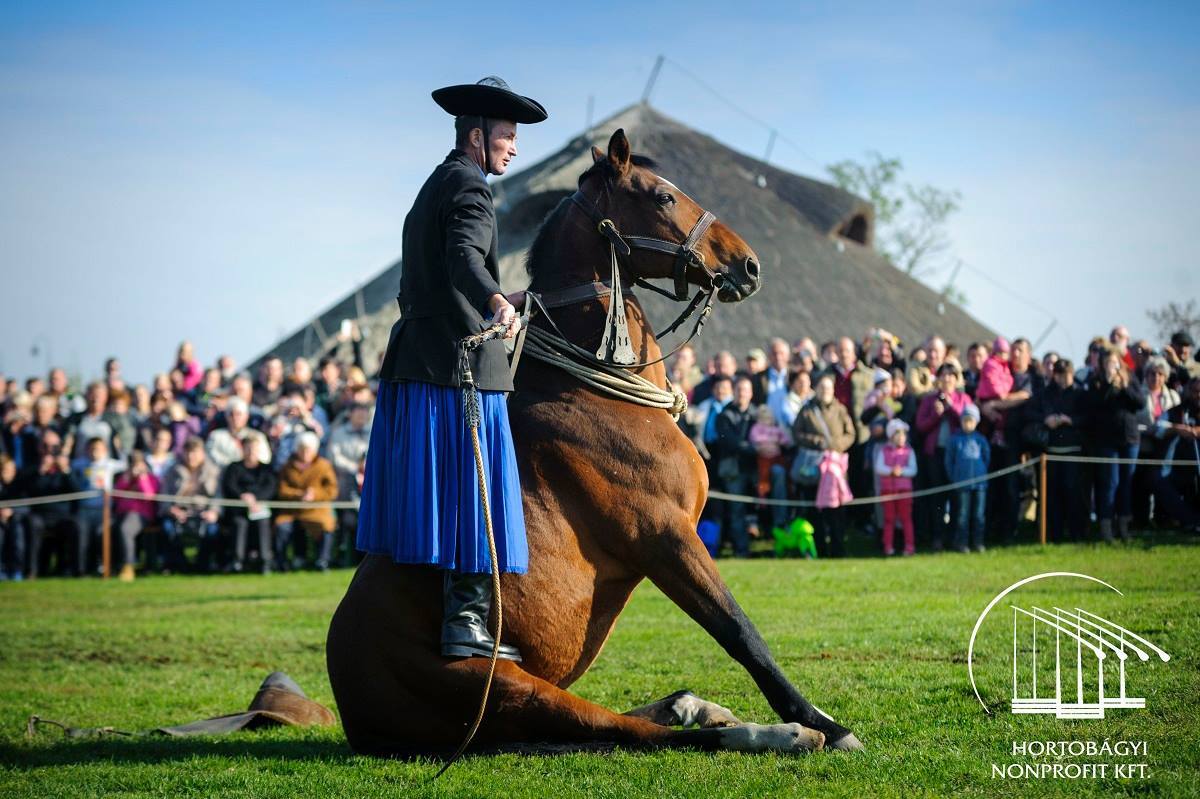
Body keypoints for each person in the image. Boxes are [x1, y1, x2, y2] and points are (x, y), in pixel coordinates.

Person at [358, 76, 545, 663]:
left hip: (420, 360)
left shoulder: (435, 184)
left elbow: (440, 271)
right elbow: (465, 255)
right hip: (459, 368)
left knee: (433, 497)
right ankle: (465, 622)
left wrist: (502, 295)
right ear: (477, 136)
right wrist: (497, 302)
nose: (515, 147)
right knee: (473, 491)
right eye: (508, 135)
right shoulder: (470, 188)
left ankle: (424, 620)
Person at [1083, 348, 1146, 542]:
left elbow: (1140, 403)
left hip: (1129, 438)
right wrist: (1108, 384)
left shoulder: (1130, 378)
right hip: (1106, 441)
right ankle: (1106, 528)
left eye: (1114, 362)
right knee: (1110, 483)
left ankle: (1124, 527)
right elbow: (1093, 405)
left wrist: (1124, 386)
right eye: (1107, 362)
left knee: (1126, 483)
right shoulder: (1096, 381)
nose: (1111, 366)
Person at [792, 375, 855, 557]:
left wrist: (835, 445)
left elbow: (850, 434)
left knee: (837, 512)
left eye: (828, 388)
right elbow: (797, 434)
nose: (825, 391)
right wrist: (817, 442)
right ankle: (819, 549)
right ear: (816, 389)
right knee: (815, 512)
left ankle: (838, 550)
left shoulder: (840, 409)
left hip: (835, 469)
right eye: (822, 388)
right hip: (813, 469)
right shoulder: (807, 410)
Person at [914, 363, 972, 551]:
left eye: (950, 375)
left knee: (957, 497)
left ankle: (956, 538)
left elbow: (968, 423)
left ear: (956, 379)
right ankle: (937, 537)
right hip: (935, 454)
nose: (947, 379)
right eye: (943, 375)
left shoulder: (963, 398)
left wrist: (951, 407)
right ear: (938, 378)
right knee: (937, 497)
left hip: (958, 457)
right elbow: (920, 426)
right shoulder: (929, 400)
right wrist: (936, 415)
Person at [1034, 359, 1086, 541]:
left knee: (1072, 493)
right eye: (1060, 375)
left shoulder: (1080, 393)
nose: (1064, 379)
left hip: (1073, 451)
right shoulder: (1045, 393)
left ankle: (1076, 534)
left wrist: (1070, 420)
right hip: (1051, 451)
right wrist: (1046, 419)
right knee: (1053, 495)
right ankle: (1054, 535)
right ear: (1054, 376)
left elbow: (1089, 417)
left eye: (1067, 375)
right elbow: (1031, 412)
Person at [275, 431, 338, 571]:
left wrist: (314, 494)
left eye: (308, 450)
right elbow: (282, 489)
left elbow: (332, 490)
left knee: (326, 525)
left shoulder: (323, 466)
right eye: (301, 449)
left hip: (317, 509)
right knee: (282, 526)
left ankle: (323, 559)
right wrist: (299, 495)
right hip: (292, 510)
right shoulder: (288, 466)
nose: (304, 453)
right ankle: (283, 561)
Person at [159, 436, 221, 573]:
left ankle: (202, 565)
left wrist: (214, 512)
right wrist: (171, 510)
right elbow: (164, 495)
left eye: (195, 452)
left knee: (212, 531)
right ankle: (180, 565)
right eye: (188, 452)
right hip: (179, 511)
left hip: (202, 512)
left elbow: (218, 496)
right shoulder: (173, 470)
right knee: (168, 529)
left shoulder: (213, 471)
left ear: (202, 453)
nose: (191, 456)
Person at [1133, 356, 1180, 527]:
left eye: (1160, 374)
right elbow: (1133, 422)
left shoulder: (1173, 396)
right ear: (1146, 375)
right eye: (1152, 373)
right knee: (1141, 485)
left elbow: (1178, 420)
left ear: (1165, 376)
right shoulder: (1138, 394)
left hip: (1166, 449)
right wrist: (1148, 430)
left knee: (1164, 483)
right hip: (1144, 447)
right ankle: (1141, 520)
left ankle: (1163, 519)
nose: (1156, 377)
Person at [220, 436, 276, 574]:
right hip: (239, 509)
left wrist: (255, 499)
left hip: (259, 508)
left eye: (254, 449)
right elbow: (229, 486)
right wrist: (243, 497)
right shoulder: (234, 468)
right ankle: (237, 561)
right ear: (242, 449)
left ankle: (265, 561)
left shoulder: (266, 469)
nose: (251, 452)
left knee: (263, 523)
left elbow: (271, 488)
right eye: (248, 448)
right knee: (239, 524)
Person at [71, 437, 125, 576]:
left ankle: (105, 566)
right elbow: (69, 467)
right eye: (92, 449)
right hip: (85, 509)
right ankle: (81, 570)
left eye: (98, 449)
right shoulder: (80, 464)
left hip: (104, 510)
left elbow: (124, 464)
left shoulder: (109, 464)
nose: (95, 452)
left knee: (102, 536)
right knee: (83, 537)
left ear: (105, 450)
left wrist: (119, 448)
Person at [1153, 377, 1200, 532]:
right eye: (1195, 391)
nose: (1198, 395)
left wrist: (1197, 431)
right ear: (1188, 391)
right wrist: (1176, 429)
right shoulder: (1178, 411)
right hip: (1177, 469)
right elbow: (1158, 427)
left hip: (1197, 470)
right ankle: (1191, 521)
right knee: (1159, 482)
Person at [944, 405, 990, 553]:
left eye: (971, 421)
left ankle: (978, 542)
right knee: (962, 515)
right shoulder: (954, 440)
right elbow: (949, 461)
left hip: (980, 485)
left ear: (976, 422)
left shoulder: (981, 440)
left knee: (978, 515)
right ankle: (962, 543)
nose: (968, 424)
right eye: (965, 420)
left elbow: (986, 458)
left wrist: (981, 475)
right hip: (962, 485)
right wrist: (955, 478)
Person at [112, 450, 160, 581]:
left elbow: (149, 496)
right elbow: (115, 497)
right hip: (120, 514)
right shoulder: (123, 478)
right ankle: (111, 565)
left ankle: (128, 566)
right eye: (133, 464)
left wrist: (142, 478)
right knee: (106, 529)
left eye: (139, 463)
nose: (136, 467)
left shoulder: (151, 478)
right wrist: (127, 478)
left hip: (141, 515)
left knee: (125, 529)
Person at [874, 418, 917, 556]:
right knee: (889, 520)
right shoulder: (884, 451)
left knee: (906, 519)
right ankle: (888, 546)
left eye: (903, 435)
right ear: (891, 436)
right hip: (888, 491)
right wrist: (891, 471)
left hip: (904, 491)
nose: (901, 438)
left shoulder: (909, 451)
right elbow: (879, 468)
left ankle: (909, 546)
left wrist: (901, 471)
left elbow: (913, 470)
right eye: (898, 434)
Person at [206, 397, 271, 469]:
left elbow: (265, 459)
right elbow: (211, 458)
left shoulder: (258, 436)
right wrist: (236, 466)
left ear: (246, 416)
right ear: (226, 416)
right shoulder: (216, 436)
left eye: (238, 414)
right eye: (231, 414)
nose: (235, 418)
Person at [0, 454, 27, 580]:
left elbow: (28, 506)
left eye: (13, 470)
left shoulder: (20, 485)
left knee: (17, 535)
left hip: (16, 520)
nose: (11, 473)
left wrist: (12, 511)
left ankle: (16, 570)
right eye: (7, 470)